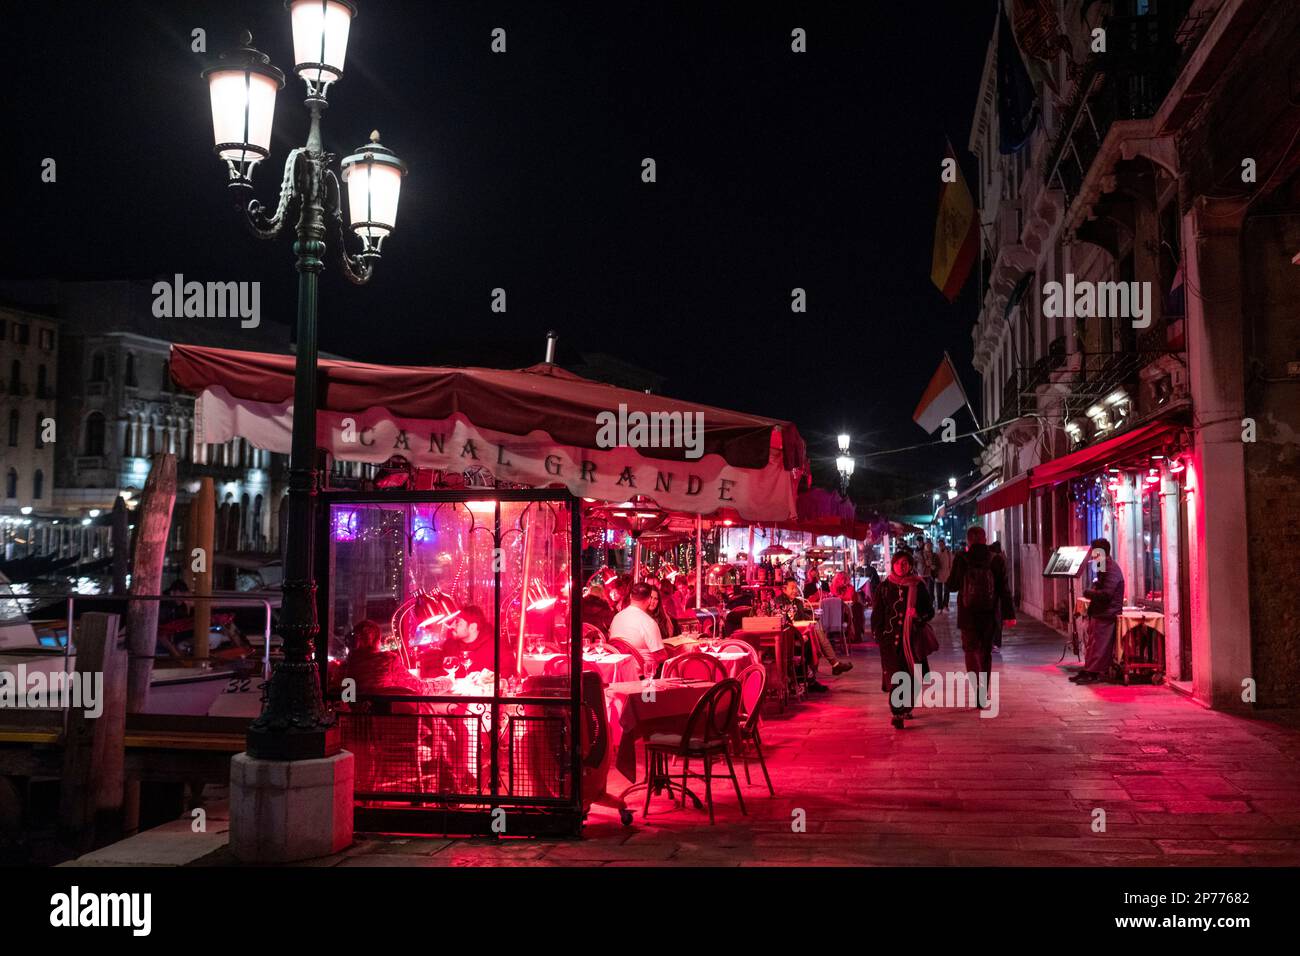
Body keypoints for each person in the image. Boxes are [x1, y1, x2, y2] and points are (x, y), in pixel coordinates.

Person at [945, 526, 1014, 708]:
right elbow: (1004, 589)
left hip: (967, 614)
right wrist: (1009, 615)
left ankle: (976, 690)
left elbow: (952, 585)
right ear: (985, 539)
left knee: (970, 651)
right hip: (989, 613)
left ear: (968, 540)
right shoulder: (995, 559)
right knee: (985, 653)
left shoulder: (961, 558)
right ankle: (983, 693)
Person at [871, 551, 935, 729]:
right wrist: (880, 636)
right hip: (890, 643)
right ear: (893, 565)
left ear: (910, 565)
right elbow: (877, 616)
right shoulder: (884, 587)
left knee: (912, 677)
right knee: (896, 678)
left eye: (905, 563)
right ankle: (897, 712)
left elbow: (930, 611)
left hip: (913, 641)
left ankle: (907, 707)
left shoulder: (918, 586)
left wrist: (918, 616)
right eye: (898, 563)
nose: (902, 566)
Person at [776, 577, 852, 687]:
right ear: (784, 589)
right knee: (816, 635)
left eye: (796, 588)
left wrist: (813, 616)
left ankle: (815, 676)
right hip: (788, 635)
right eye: (792, 588)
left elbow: (802, 616)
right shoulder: (779, 602)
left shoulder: (798, 602)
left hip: (799, 632)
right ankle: (832, 666)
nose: (795, 591)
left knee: (816, 633)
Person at [1073, 537, 1126, 684]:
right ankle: (1088, 669)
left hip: (1107, 612)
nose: (1092, 556)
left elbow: (1106, 594)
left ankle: (1093, 672)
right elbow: (1099, 586)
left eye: (1094, 553)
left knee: (1099, 644)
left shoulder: (1111, 569)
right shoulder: (1103, 565)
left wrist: (1088, 593)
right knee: (1092, 643)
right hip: (1099, 611)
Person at [339, 620, 423, 694]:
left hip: (357, 712)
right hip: (383, 712)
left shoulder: (345, 668)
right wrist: (435, 682)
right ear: (377, 640)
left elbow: (347, 700)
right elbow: (419, 688)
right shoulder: (388, 661)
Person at [608, 582, 667, 676]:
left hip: (620, 672)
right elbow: (660, 657)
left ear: (631, 596)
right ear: (648, 600)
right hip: (643, 674)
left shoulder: (617, 617)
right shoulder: (648, 622)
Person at [432, 605, 497, 675]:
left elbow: (503, 676)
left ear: (472, 627)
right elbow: (440, 674)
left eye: (457, 622)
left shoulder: (495, 647)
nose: (451, 626)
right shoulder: (449, 646)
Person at [935, 539, 954, 612]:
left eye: (942, 544)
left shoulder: (949, 553)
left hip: (947, 574)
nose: (940, 546)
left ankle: (945, 605)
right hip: (938, 575)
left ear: (944, 544)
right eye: (939, 544)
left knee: (947, 591)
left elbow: (951, 564)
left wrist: (951, 573)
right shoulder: (936, 553)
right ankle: (940, 607)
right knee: (939, 592)